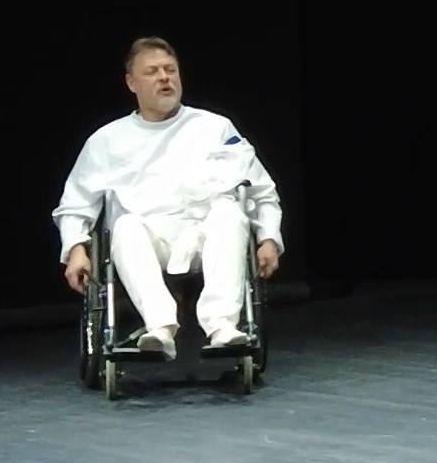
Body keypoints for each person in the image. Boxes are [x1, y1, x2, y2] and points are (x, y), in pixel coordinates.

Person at [53, 37, 284, 359]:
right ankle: (159, 328)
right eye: (152, 72)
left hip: (206, 233)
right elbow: (76, 203)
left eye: (170, 70)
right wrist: (76, 249)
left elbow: (261, 189)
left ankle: (222, 327)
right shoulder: (106, 140)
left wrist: (269, 237)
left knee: (230, 214)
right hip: (149, 238)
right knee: (125, 225)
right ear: (131, 83)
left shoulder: (215, 127)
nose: (164, 77)